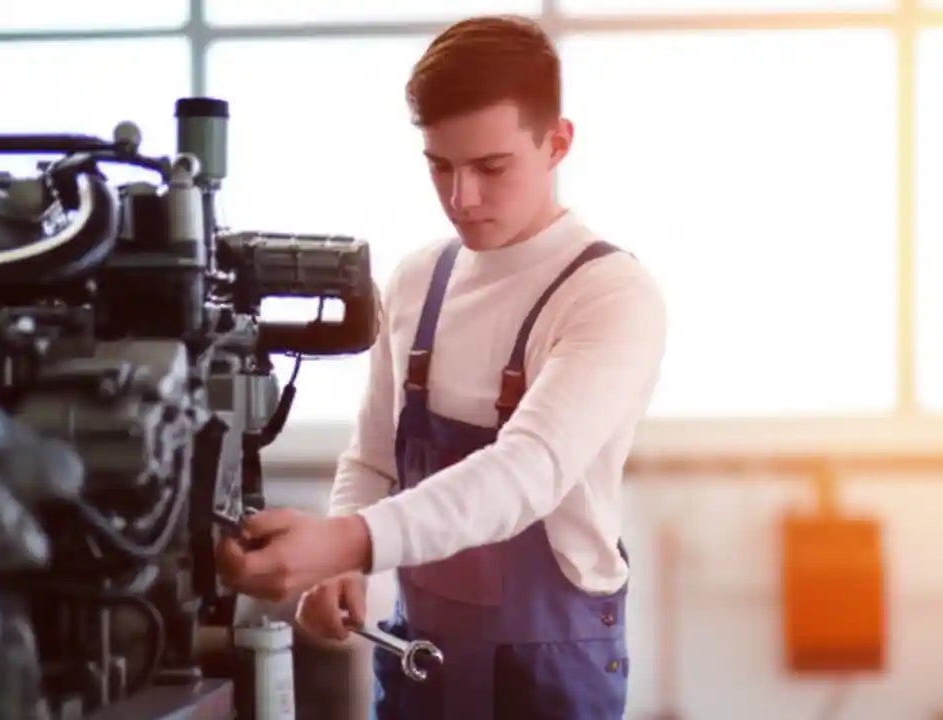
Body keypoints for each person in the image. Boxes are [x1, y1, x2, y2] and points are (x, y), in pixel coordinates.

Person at [216, 14, 667, 719]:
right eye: (439, 165)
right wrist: (341, 552)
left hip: (550, 671)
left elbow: (526, 472)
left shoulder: (609, 295)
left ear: (558, 143)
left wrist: (349, 541)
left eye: (491, 167)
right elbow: (371, 457)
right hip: (421, 658)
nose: (462, 198)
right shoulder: (419, 278)